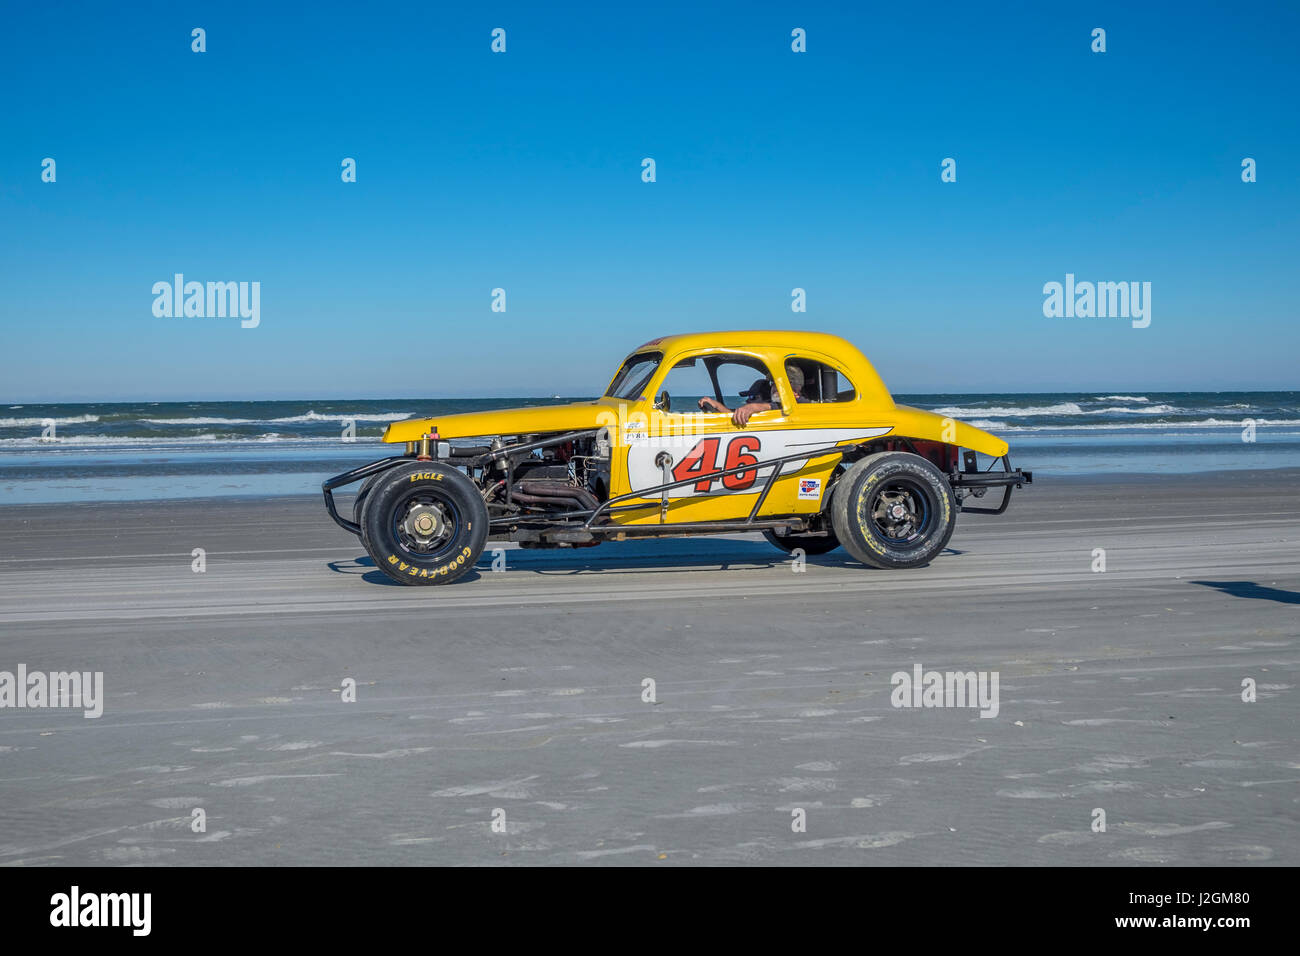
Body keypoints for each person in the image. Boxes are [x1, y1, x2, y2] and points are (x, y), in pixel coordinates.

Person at [697, 364, 808, 427]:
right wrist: (716, 405)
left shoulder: (803, 405)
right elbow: (734, 415)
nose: (773, 387)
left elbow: (793, 407)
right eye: (772, 383)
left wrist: (754, 407)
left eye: (778, 383)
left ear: (795, 387)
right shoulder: (776, 405)